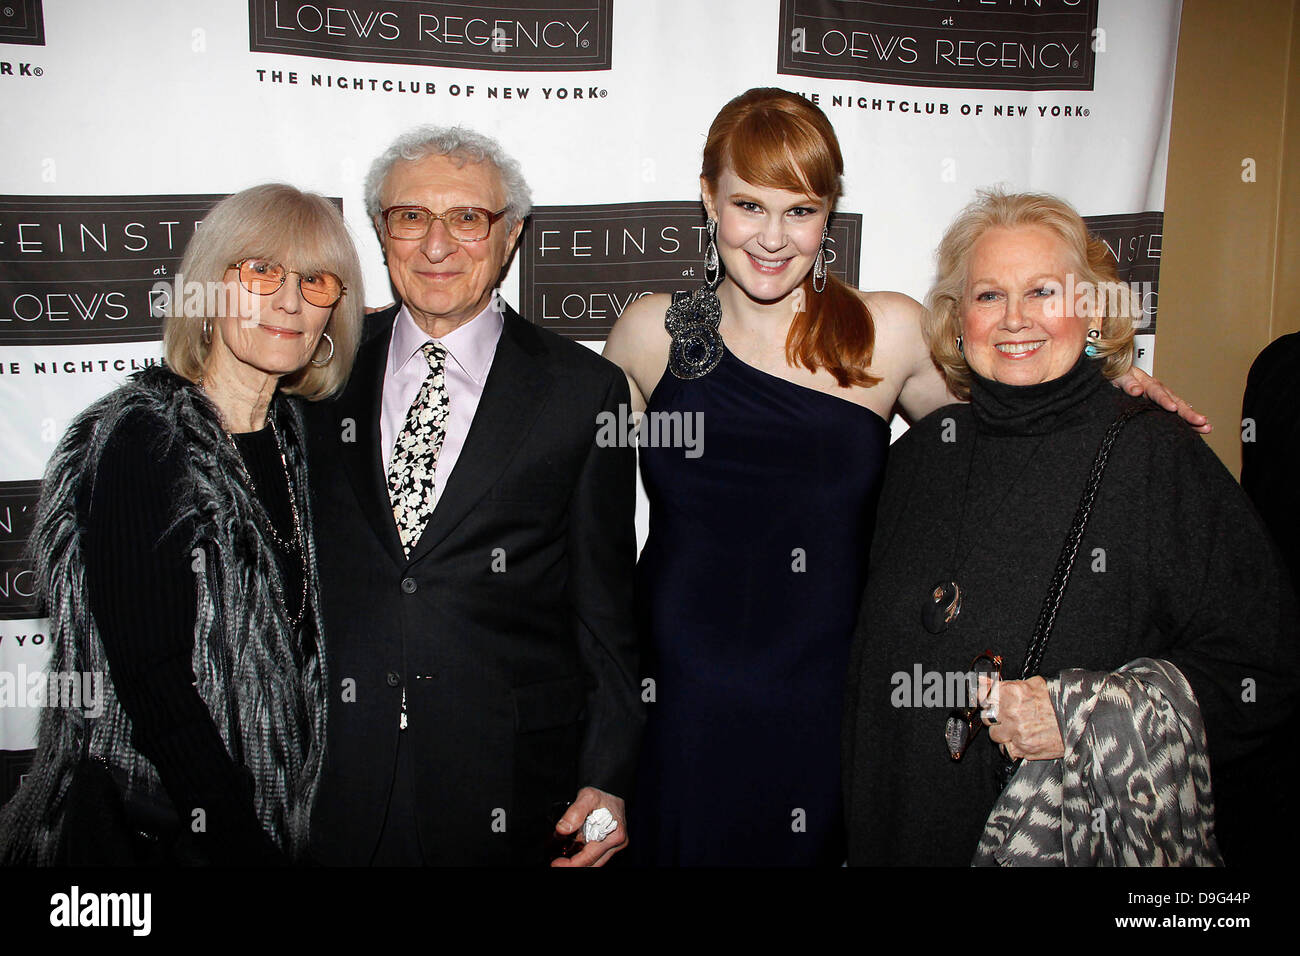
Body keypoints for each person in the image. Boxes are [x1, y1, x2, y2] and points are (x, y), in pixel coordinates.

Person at [603, 87, 1207, 866]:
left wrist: (1108, 385)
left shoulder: (885, 333)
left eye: (801, 209)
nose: (773, 238)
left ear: (829, 215)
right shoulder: (649, 333)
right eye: (749, 205)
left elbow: (1019, 423)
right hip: (675, 700)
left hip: (826, 704)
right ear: (708, 200)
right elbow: (587, 525)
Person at [843, 189, 1297, 865]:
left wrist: (1084, 716)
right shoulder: (920, 454)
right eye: (989, 295)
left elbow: (1265, 669)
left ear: (1091, 310)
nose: (1015, 319)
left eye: (1044, 292)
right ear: (958, 318)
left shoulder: (1153, 455)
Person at [302, 126, 642, 867]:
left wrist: (609, 777)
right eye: (410, 217)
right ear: (380, 231)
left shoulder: (583, 391)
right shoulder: (318, 373)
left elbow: (605, 607)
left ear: (510, 236)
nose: (436, 245)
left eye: (467, 219)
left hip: (509, 778)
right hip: (333, 772)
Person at [0, 183, 365, 865]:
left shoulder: (300, 439)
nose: (289, 301)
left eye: (316, 281)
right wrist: (239, 842)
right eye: (259, 271)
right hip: (165, 837)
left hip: (276, 820)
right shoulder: (145, 438)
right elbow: (152, 683)